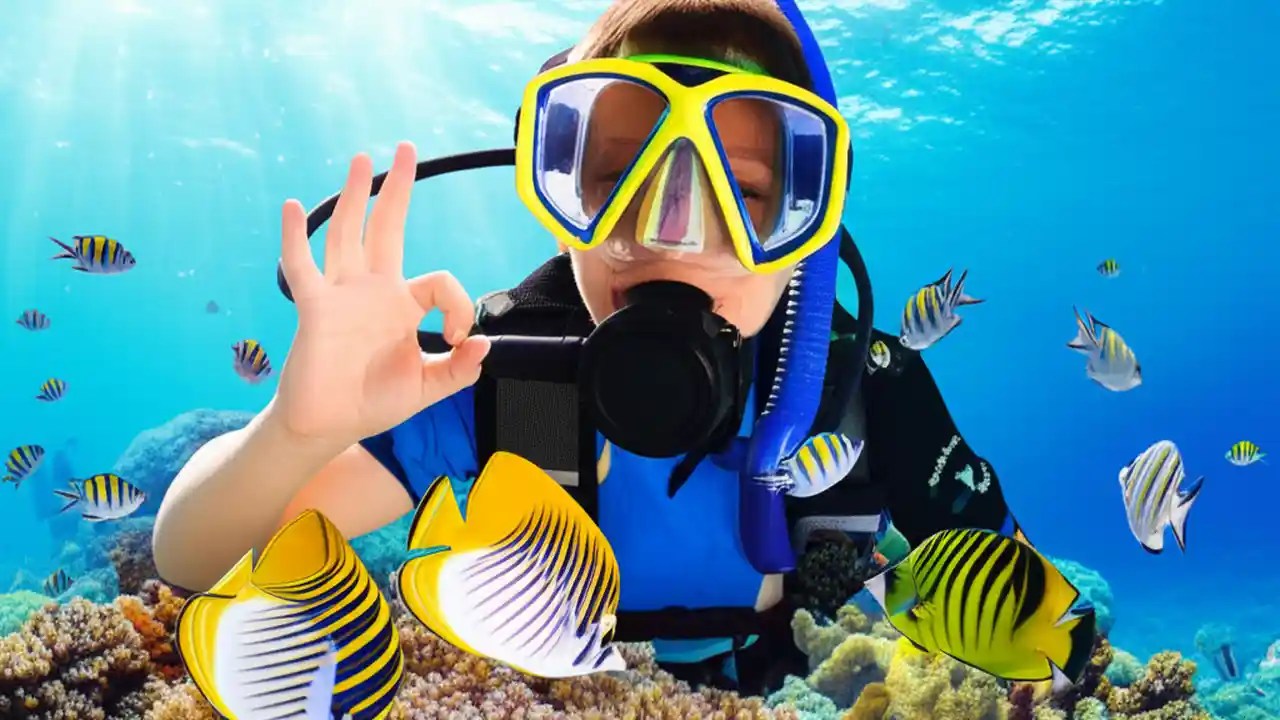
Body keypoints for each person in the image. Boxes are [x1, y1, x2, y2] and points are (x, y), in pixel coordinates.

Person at [154, 0, 1029, 696]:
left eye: (747, 192)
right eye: (617, 178)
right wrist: (295, 429)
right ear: (557, 180)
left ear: (811, 223)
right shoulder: (505, 374)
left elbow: (1026, 613)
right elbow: (194, 562)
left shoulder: (864, 394)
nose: (672, 233)